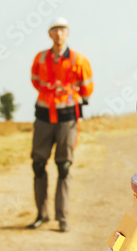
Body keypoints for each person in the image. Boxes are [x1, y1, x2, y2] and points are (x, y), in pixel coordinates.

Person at [27, 17, 93, 231]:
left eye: (62, 30)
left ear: (68, 34)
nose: (58, 34)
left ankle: (62, 217)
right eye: (55, 30)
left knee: (64, 166)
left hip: (67, 117)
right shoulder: (40, 58)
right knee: (38, 164)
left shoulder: (79, 60)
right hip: (44, 115)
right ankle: (41, 214)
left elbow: (87, 89)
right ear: (49, 34)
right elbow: (35, 80)